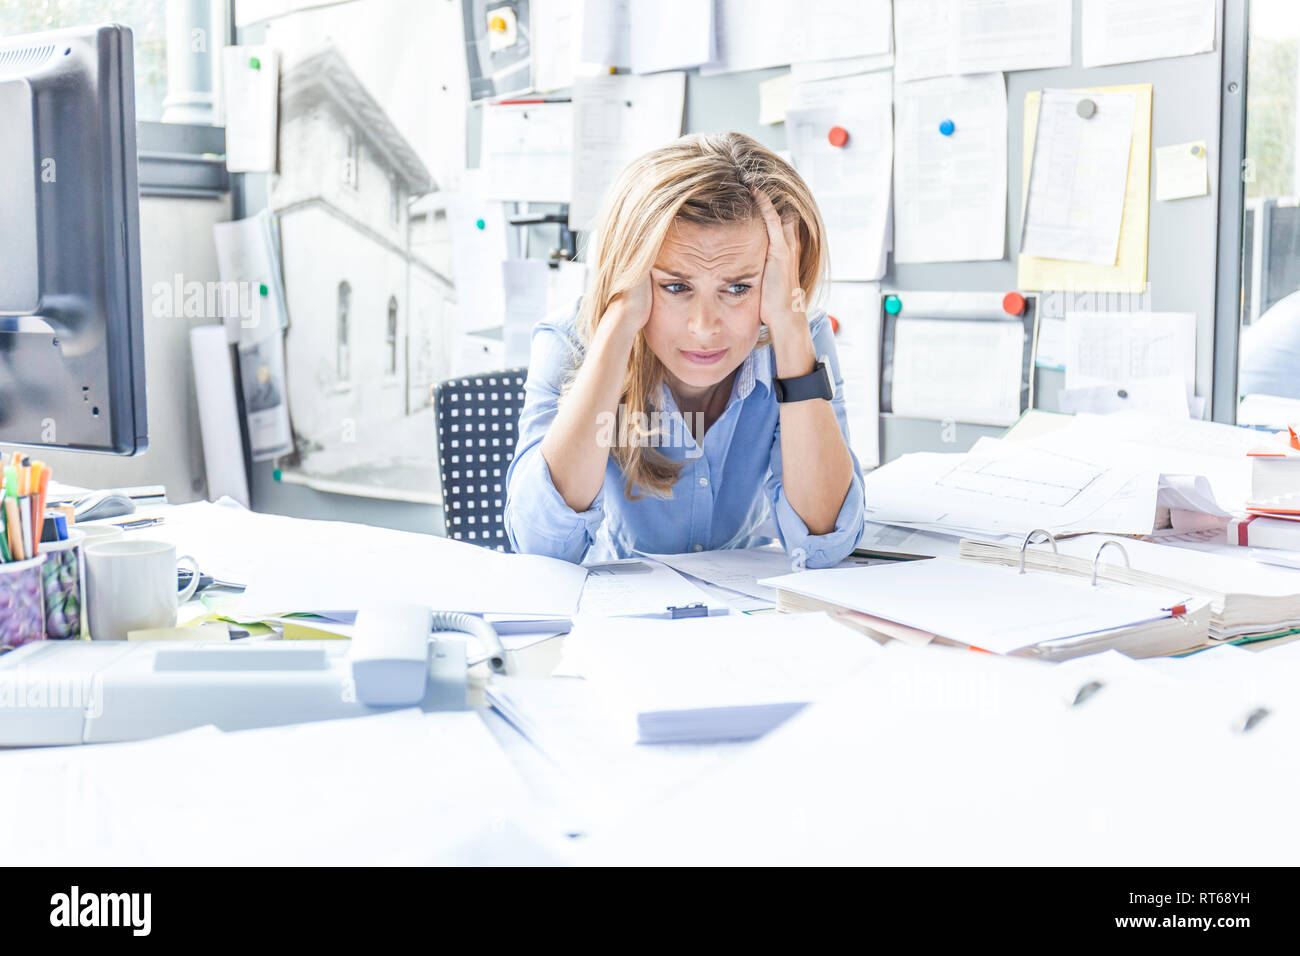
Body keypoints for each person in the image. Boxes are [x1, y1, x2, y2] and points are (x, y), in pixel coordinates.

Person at [504, 131, 865, 568]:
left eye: (738, 287)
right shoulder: (570, 342)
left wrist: (790, 329)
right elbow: (542, 550)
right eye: (676, 286)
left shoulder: (796, 336)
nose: (704, 327)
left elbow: (824, 541)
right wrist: (617, 325)